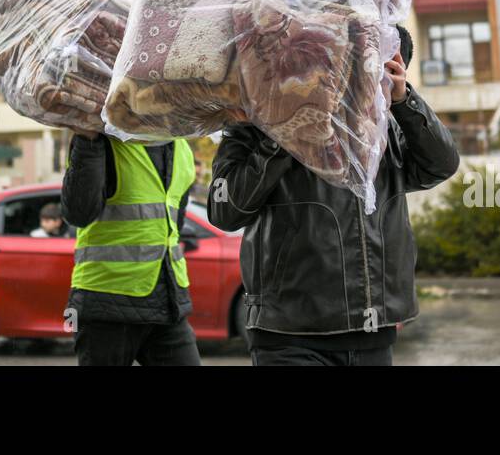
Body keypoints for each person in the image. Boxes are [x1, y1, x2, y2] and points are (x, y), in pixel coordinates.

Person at [209, 26, 460, 366]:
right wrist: (286, 129)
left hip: (372, 332)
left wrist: (404, 101)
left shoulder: (388, 132)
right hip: (287, 336)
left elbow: (441, 165)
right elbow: (225, 211)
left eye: (380, 70)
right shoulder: (256, 121)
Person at [61, 131, 201, 366]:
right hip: (106, 300)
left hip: (167, 301)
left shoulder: (182, 149)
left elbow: (173, 226)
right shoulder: (101, 139)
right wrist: (87, 142)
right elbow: (78, 212)